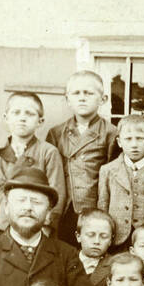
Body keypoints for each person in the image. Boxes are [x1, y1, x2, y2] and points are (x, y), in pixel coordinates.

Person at [47, 70, 119, 244]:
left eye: (88, 93)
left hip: (94, 207)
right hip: (64, 208)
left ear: (103, 99)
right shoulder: (56, 133)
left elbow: (113, 174)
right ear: (67, 100)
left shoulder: (110, 133)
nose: (82, 98)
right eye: (76, 93)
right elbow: (50, 174)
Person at [0, 91, 66, 235]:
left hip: (36, 229)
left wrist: (45, 229)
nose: (22, 118)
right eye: (16, 112)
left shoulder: (48, 152)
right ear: (6, 118)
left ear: (40, 121)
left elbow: (58, 195)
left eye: (29, 114)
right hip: (2, 227)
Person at [98, 113, 144, 250]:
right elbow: (103, 204)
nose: (134, 144)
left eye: (140, 139)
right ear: (119, 142)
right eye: (128, 139)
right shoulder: (107, 170)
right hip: (116, 238)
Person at [74, 209, 115, 286]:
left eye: (103, 236)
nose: (96, 241)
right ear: (78, 236)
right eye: (91, 235)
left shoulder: (114, 265)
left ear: (110, 240)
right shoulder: (66, 261)